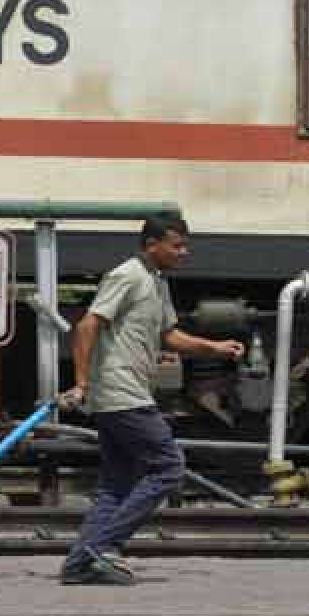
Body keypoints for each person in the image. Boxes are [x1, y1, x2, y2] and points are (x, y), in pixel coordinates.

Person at [58, 215, 244, 585]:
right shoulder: (127, 275)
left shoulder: (156, 283)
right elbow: (87, 325)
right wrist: (80, 383)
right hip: (120, 390)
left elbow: (169, 336)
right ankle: (106, 545)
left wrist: (215, 348)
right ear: (151, 245)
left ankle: (80, 564)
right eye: (176, 245)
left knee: (116, 483)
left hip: (127, 392)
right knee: (169, 466)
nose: (183, 253)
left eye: (184, 245)